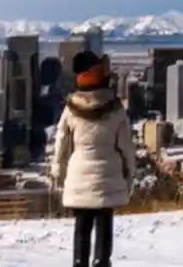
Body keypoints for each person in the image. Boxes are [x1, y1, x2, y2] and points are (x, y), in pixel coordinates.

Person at [52, 50, 136, 267]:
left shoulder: (71, 108)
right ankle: (101, 261)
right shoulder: (116, 109)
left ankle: (79, 262)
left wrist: (58, 173)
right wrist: (130, 172)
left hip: (79, 171)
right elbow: (126, 146)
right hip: (109, 172)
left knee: (82, 223)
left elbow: (61, 145)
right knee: (104, 221)